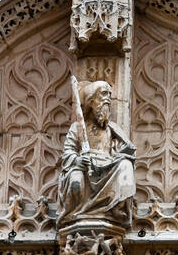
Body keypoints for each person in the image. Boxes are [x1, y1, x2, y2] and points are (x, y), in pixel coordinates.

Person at [58, 79, 135, 228]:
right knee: (75, 181)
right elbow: (68, 151)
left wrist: (119, 155)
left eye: (109, 96)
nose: (107, 99)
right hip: (85, 166)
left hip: (109, 165)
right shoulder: (78, 127)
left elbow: (127, 149)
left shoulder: (112, 128)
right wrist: (78, 160)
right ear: (91, 101)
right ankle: (75, 212)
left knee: (125, 165)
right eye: (103, 95)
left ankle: (118, 208)